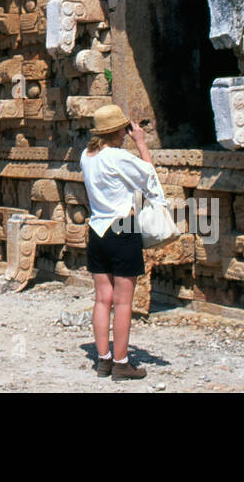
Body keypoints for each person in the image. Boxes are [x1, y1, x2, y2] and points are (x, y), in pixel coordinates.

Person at [80, 104, 165, 381]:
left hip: (96, 229)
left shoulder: (86, 156)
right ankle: (121, 362)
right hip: (122, 227)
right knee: (124, 302)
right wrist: (141, 143)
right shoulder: (118, 158)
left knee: (102, 299)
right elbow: (150, 179)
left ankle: (103, 360)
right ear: (120, 130)